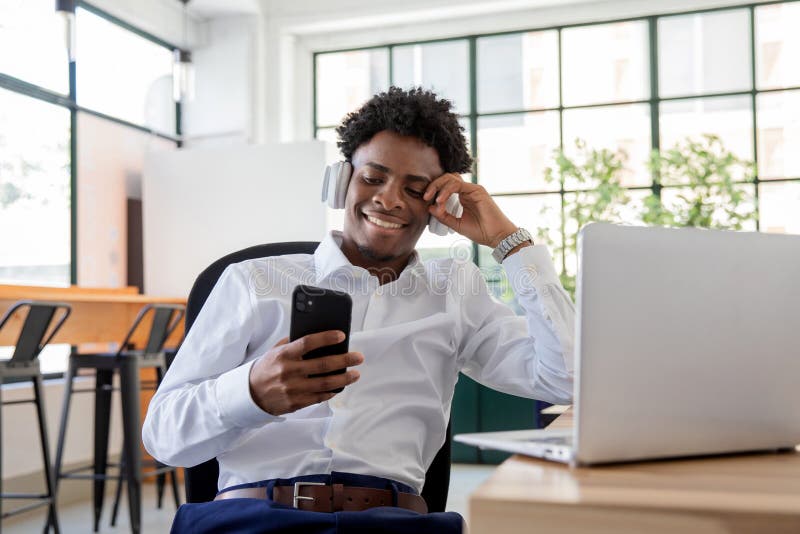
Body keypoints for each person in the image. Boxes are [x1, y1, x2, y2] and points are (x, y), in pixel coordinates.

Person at [143, 86, 575, 533]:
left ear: (440, 206)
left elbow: (567, 378)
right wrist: (251, 393)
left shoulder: (455, 292)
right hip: (250, 519)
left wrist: (509, 242)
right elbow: (162, 437)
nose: (389, 199)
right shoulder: (251, 281)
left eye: (415, 189)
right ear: (340, 181)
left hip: (393, 524)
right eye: (373, 177)